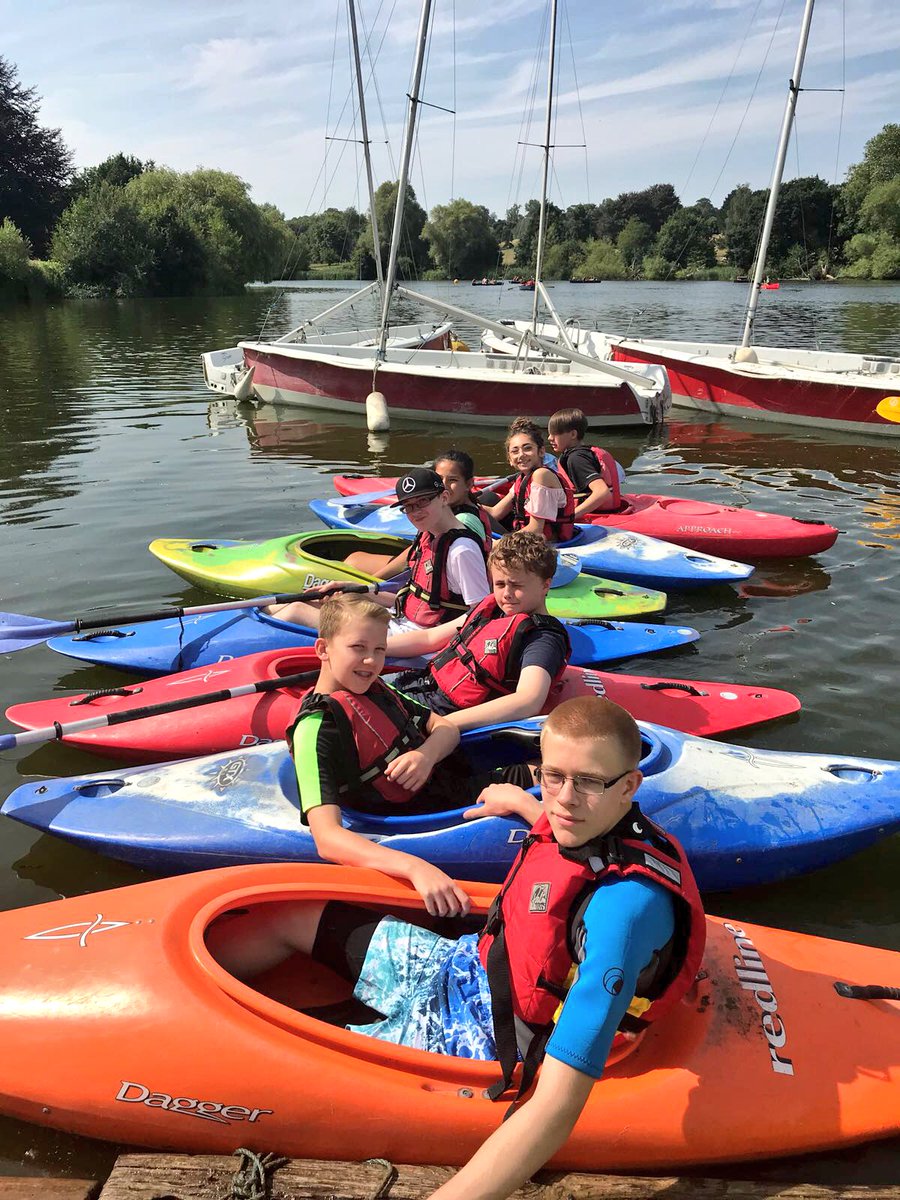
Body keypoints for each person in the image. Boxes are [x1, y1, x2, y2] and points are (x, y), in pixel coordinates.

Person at [207, 695, 706, 1200]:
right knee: (287, 917)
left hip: (484, 1033)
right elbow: (559, 820)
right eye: (553, 775)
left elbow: (557, 1106)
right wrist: (514, 801)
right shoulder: (582, 818)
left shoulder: (624, 913)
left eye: (590, 781)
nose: (565, 799)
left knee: (260, 1039)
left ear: (630, 785)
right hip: (463, 966)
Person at [284, 593, 533, 918]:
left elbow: (444, 727)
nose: (372, 662)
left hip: (458, 787)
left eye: (379, 650)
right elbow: (328, 839)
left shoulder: (376, 689)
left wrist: (425, 756)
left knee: (556, 769)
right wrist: (416, 868)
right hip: (437, 821)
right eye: (358, 648)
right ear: (323, 649)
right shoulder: (316, 728)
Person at [268, 468, 490, 635]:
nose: (415, 512)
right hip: (402, 620)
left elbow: (480, 616)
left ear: (443, 498)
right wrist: (353, 590)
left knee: (295, 611)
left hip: (418, 638)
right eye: (409, 507)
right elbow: (415, 602)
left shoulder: (461, 550)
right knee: (317, 602)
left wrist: (426, 641)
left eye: (422, 502)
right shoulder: (429, 535)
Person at [388, 531, 571, 732]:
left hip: (441, 713)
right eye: (500, 584)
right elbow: (430, 637)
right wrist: (375, 647)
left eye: (517, 585)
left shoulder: (542, 637)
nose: (507, 594)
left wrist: (442, 725)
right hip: (420, 684)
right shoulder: (493, 609)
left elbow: (528, 700)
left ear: (546, 585)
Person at [481, 418, 575, 543]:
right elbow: (495, 513)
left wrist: (499, 543)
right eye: (515, 451)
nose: (521, 455)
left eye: (527, 448)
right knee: (486, 498)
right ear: (509, 459)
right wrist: (462, 503)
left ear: (541, 451)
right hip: (526, 535)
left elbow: (536, 529)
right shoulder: (522, 479)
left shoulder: (542, 475)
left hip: (544, 543)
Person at [547, 407, 624, 518]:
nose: (549, 438)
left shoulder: (576, 459)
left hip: (597, 515)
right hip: (609, 510)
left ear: (573, 434)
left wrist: (570, 517)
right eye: (550, 434)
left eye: (555, 433)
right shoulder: (584, 452)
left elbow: (602, 492)